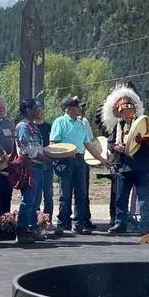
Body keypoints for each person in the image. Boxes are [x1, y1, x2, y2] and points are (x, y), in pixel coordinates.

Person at [49, 96, 109, 235]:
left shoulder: (81, 124)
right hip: (65, 160)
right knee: (65, 193)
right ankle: (63, 222)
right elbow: (53, 143)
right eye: (77, 107)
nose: (80, 109)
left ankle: (79, 223)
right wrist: (63, 153)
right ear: (69, 109)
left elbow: (88, 145)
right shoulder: (60, 122)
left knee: (81, 193)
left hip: (80, 160)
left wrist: (101, 159)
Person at [101, 84, 149, 234]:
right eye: (123, 112)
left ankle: (146, 224)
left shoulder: (144, 125)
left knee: (143, 198)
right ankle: (120, 223)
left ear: (134, 111)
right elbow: (110, 144)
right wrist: (115, 148)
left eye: (128, 111)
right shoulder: (117, 127)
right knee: (121, 197)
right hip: (123, 167)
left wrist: (142, 140)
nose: (126, 115)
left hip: (141, 167)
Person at [13, 99, 52, 245]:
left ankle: (32, 227)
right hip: (30, 167)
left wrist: (49, 155)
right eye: (36, 108)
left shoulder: (33, 126)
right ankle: (22, 230)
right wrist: (45, 158)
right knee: (28, 199)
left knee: (36, 200)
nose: (39, 111)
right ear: (28, 110)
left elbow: (38, 147)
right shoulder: (23, 127)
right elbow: (28, 149)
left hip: (39, 167)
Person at [35, 112, 54, 220]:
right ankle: (36, 218)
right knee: (36, 194)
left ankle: (47, 219)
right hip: (36, 162)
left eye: (42, 110)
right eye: (37, 110)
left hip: (48, 163)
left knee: (48, 193)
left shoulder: (49, 127)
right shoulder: (31, 127)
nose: (40, 113)